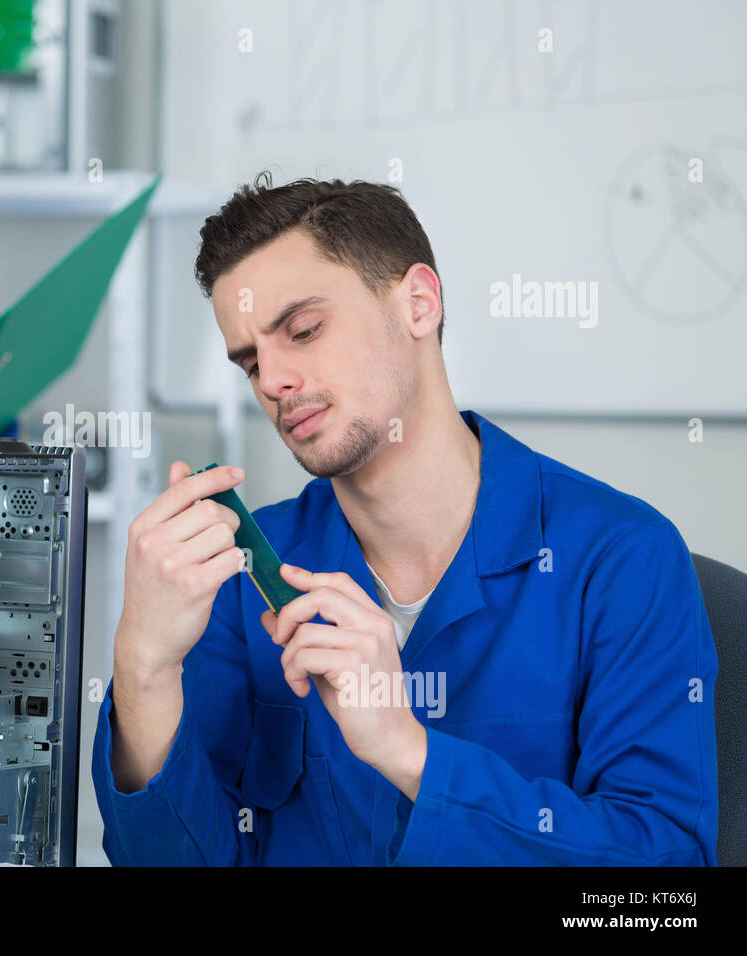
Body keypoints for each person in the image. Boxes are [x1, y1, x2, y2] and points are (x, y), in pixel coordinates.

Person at [92, 173, 719, 865]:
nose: (272, 381)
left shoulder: (621, 560)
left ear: (418, 302)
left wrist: (406, 751)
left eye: (302, 330)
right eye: (250, 362)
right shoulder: (240, 573)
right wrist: (144, 662)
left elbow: (665, 888)